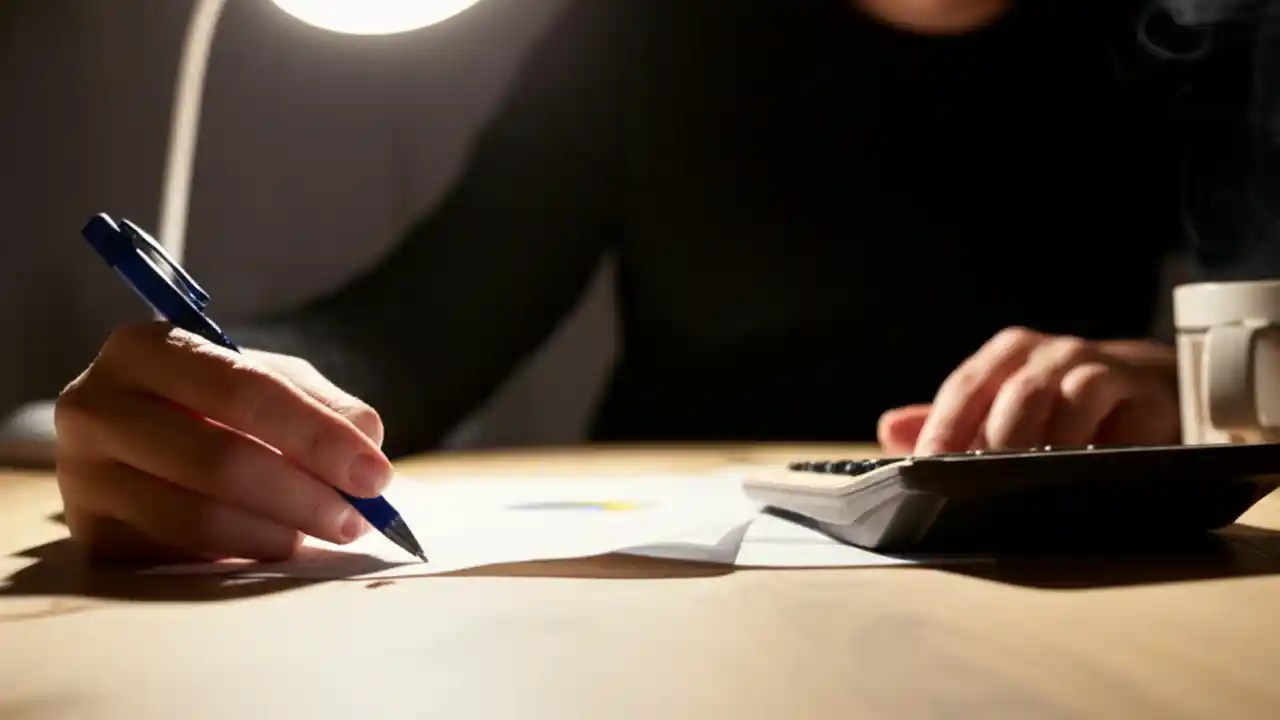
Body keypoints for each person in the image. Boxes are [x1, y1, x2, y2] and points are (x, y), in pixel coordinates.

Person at [51, 0, 1269, 561]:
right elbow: (414, 327)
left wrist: (1198, 392)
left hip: (1073, 596)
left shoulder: (1170, 36)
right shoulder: (645, 35)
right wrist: (227, 392)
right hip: (674, 602)